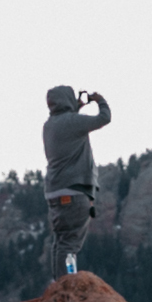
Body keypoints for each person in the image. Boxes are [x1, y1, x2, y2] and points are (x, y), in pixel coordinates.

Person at [39, 83, 110, 275]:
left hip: (54, 192)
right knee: (70, 244)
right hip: (75, 191)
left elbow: (68, 121)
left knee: (61, 241)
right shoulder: (73, 122)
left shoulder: (49, 126)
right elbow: (105, 118)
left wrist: (76, 107)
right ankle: (67, 288)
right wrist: (99, 99)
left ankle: (58, 283)